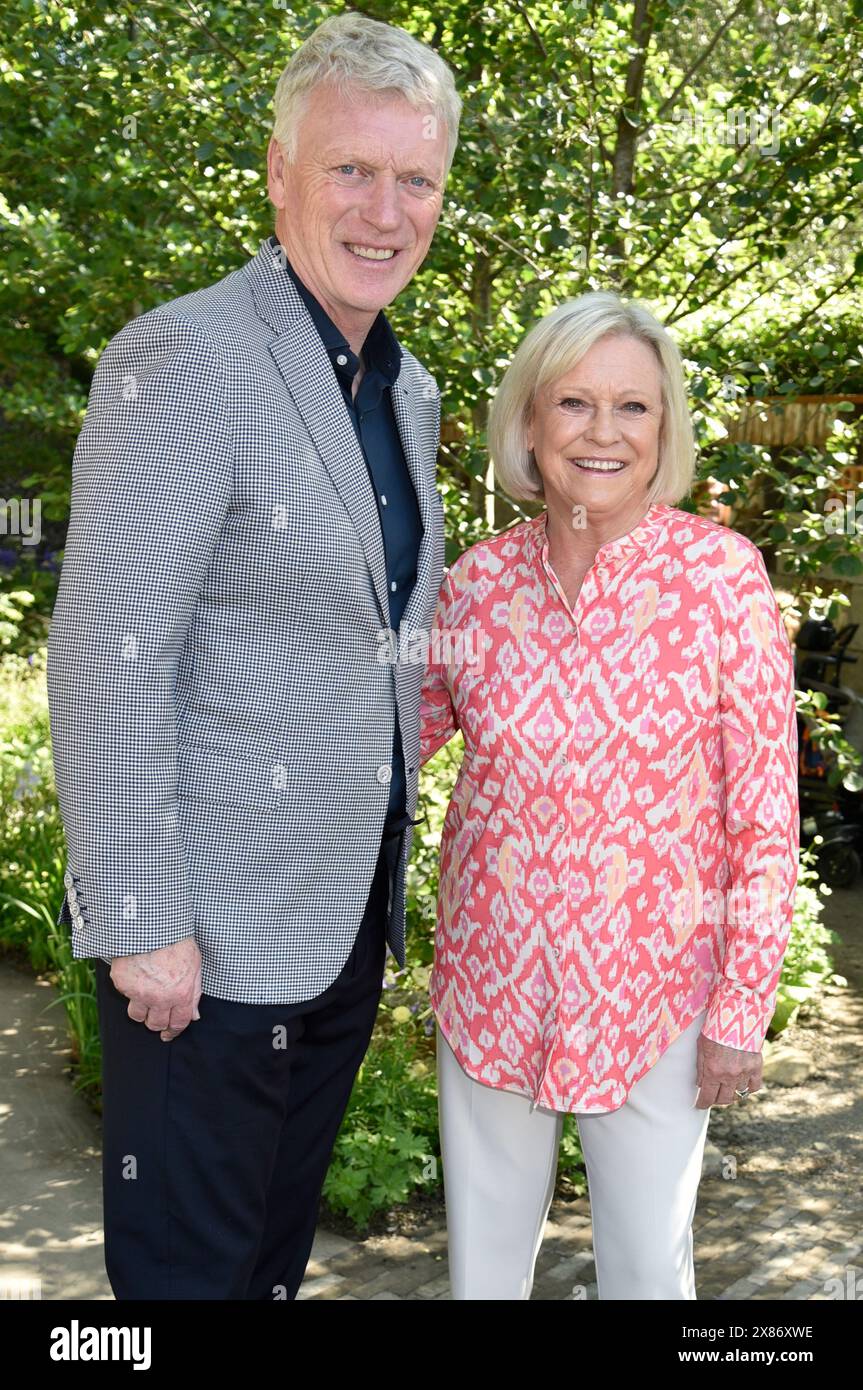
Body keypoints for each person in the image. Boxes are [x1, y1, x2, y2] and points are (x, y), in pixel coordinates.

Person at [46, 13, 460, 1300]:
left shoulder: (405, 387)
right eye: (350, 169)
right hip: (202, 948)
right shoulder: (185, 356)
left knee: (268, 1272)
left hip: (335, 926)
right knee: (185, 1286)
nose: (383, 209)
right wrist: (141, 922)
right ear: (278, 173)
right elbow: (107, 655)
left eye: (415, 179)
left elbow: (374, 640)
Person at [418, 291, 800, 1299]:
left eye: (631, 407)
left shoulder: (721, 580)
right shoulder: (474, 585)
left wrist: (739, 1005)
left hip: (658, 992)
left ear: (663, 426)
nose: (600, 432)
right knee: (481, 1275)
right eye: (573, 403)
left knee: (645, 1274)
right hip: (491, 980)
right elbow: (387, 745)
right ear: (529, 421)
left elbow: (763, 813)